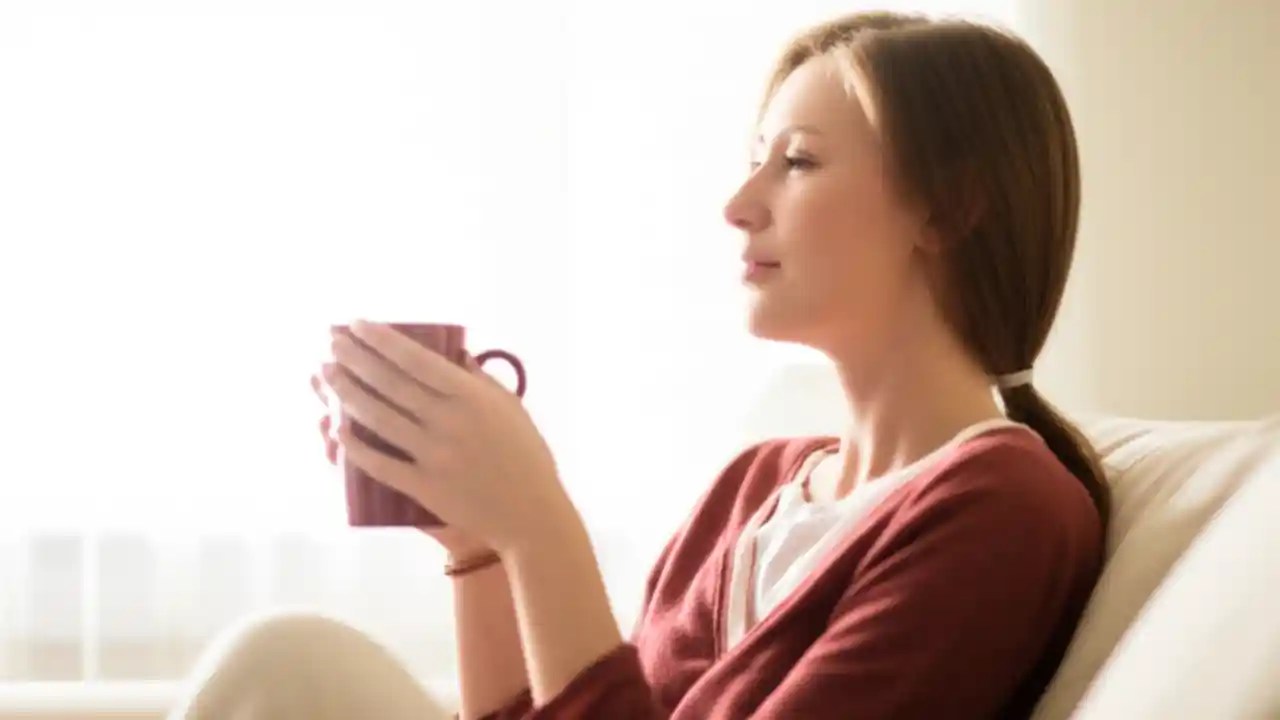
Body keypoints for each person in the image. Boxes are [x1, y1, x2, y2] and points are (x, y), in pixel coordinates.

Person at [171, 10, 1107, 720]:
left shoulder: (1004, 507)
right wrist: (483, 546)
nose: (739, 203)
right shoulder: (754, 487)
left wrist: (541, 525)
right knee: (284, 657)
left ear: (947, 212)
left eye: (799, 162)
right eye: (755, 160)